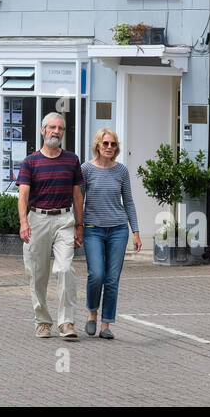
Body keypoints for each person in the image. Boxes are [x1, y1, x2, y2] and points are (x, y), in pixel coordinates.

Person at [17, 112, 84, 340]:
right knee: (38, 274)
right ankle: (43, 321)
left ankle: (66, 322)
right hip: (38, 220)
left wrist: (79, 224)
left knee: (65, 269)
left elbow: (78, 195)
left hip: (64, 220)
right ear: (43, 130)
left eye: (61, 128)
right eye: (52, 127)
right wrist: (24, 222)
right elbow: (23, 195)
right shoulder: (30, 162)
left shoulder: (72, 160)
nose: (56, 131)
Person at [82, 129, 141, 339]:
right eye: (105, 143)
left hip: (118, 229)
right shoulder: (86, 169)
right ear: (98, 145)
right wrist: (77, 227)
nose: (109, 147)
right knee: (96, 274)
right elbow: (78, 200)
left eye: (113, 144)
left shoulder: (121, 171)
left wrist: (135, 231)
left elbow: (129, 202)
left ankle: (106, 325)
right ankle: (91, 315)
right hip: (93, 230)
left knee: (112, 279)